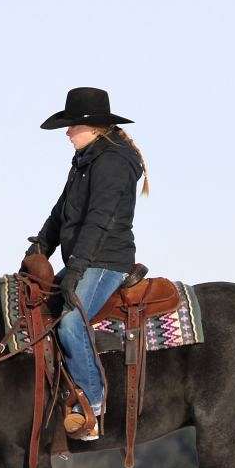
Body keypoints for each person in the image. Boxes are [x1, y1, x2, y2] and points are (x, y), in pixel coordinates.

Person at [25, 87, 149, 440]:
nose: (67, 133)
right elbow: (61, 211)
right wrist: (39, 248)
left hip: (105, 261)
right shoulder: (86, 159)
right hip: (85, 258)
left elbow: (100, 221)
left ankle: (91, 405)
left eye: (72, 126)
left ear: (93, 127)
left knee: (69, 324)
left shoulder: (113, 163)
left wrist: (76, 269)